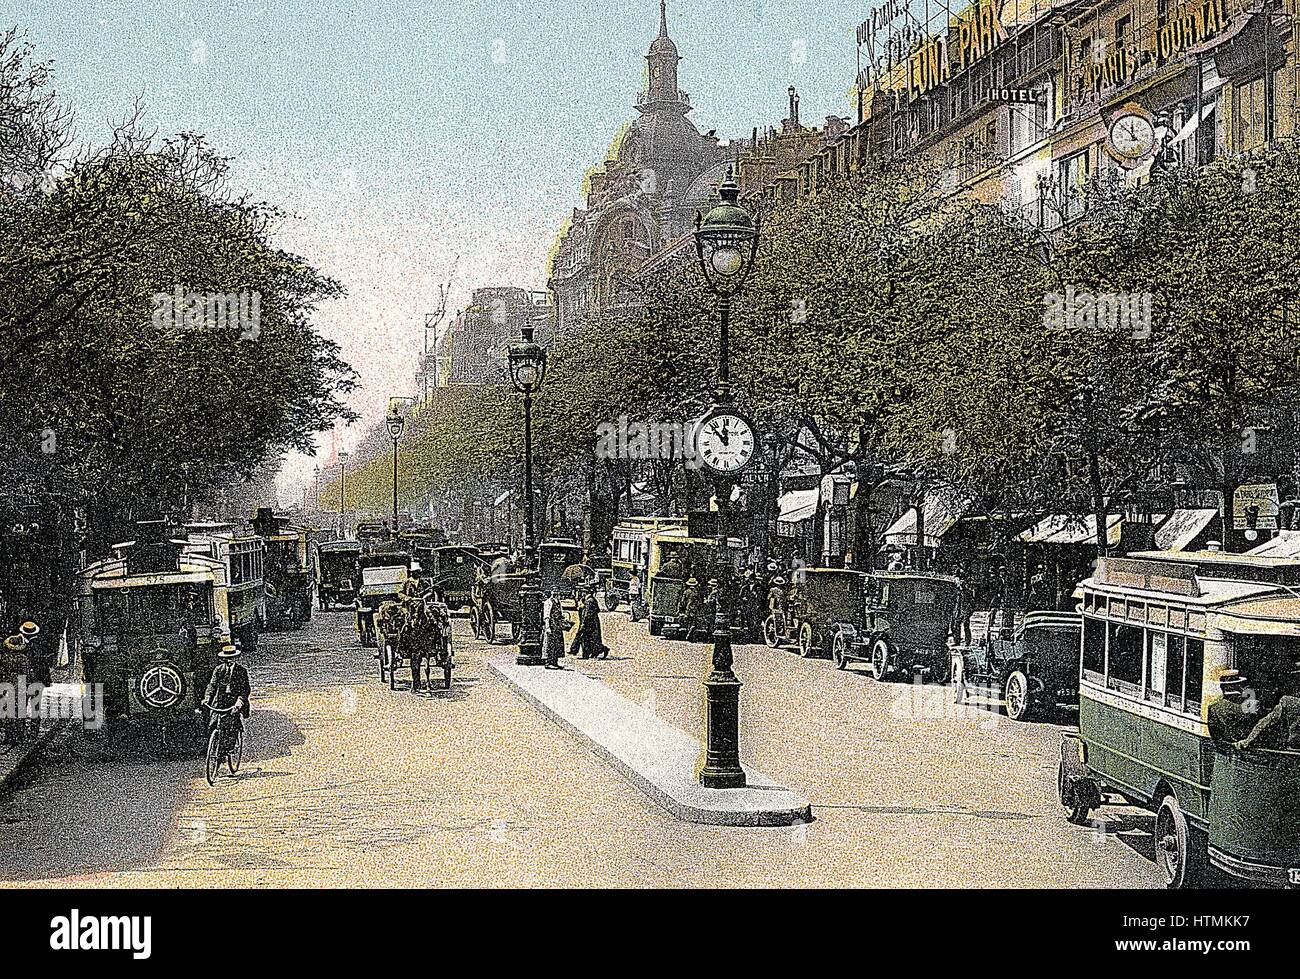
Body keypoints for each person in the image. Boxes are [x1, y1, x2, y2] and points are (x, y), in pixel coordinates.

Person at [203, 642, 251, 736]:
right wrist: (207, 698)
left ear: (235, 658)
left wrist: (239, 703)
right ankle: (213, 743)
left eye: (232, 658)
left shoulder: (241, 671)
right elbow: (212, 685)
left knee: (232, 726)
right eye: (227, 658)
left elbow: (245, 690)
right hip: (220, 699)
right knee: (212, 722)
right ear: (224, 659)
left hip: (235, 700)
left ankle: (231, 747)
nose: (230, 661)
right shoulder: (218, 669)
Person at [1207, 671, 1259, 750]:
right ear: (1235, 686)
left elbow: (1214, 735)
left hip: (1223, 751)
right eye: (1240, 684)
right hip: (1244, 752)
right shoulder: (1247, 708)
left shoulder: (1212, 707)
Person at [1, 634, 27, 744]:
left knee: (7, 711)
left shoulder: (4, 658)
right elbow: (26, 673)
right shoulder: (23, 659)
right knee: (19, 711)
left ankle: (9, 736)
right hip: (20, 684)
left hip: (7, 684)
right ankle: (19, 735)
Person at [541, 590, 567, 669]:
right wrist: (547, 627)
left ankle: (555, 662)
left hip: (557, 626)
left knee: (557, 644)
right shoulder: (548, 602)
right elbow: (547, 615)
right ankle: (548, 662)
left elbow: (560, 614)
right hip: (551, 625)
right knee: (550, 644)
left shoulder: (558, 602)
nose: (556, 594)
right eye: (555, 593)